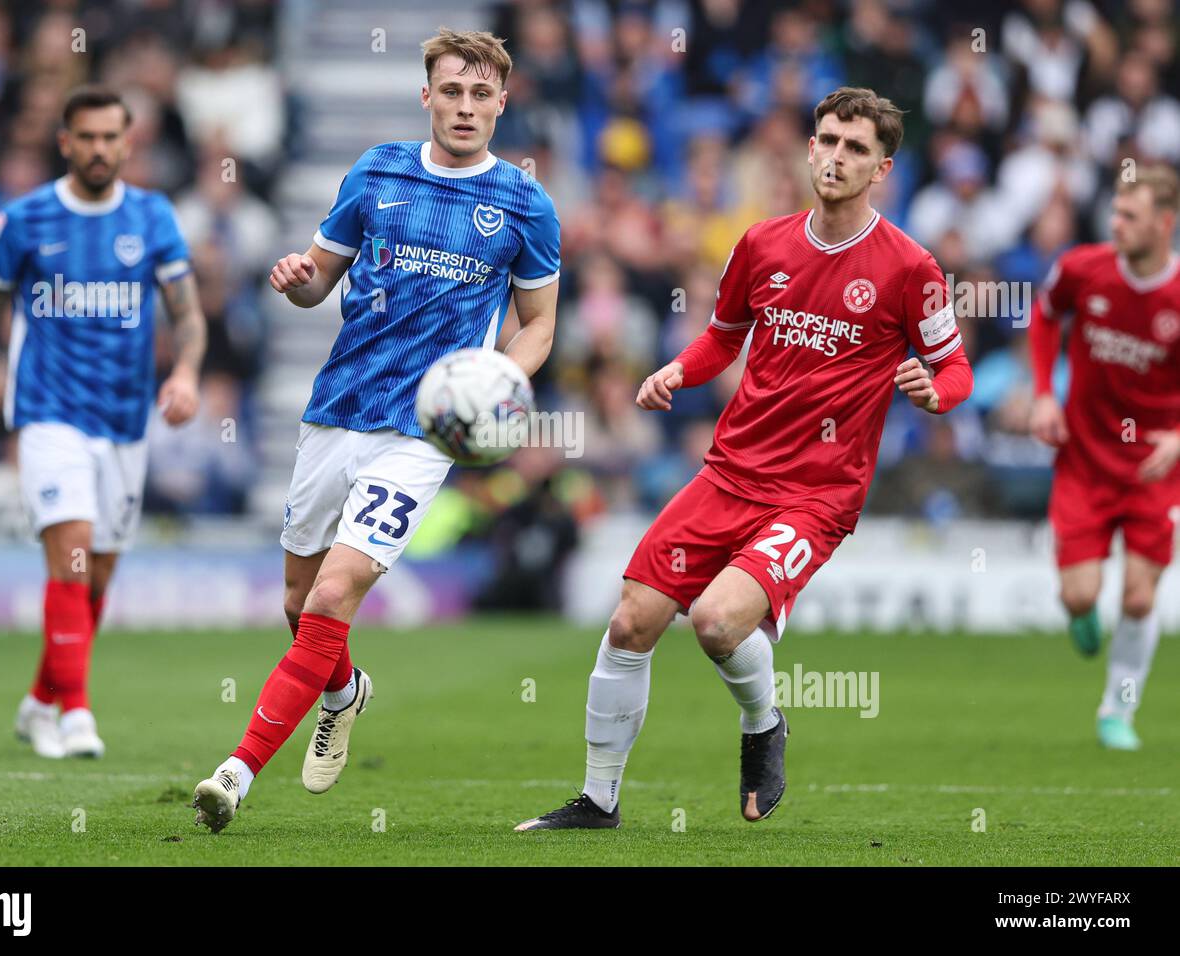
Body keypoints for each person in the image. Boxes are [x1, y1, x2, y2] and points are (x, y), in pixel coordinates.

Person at [517, 87, 973, 830]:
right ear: (808, 147)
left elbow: (956, 370)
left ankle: (764, 722)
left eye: (855, 148)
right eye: (827, 140)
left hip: (817, 493)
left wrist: (932, 390)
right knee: (631, 620)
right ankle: (599, 801)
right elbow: (723, 338)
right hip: (730, 470)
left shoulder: (909, 268)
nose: (835, 156)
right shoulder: (762, 244)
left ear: (882, 168)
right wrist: (678, 371)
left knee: (716, 622)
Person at [192, 29, 561, 833]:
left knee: (334, 591)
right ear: (426, 95)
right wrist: (296, 280)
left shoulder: (526, 204)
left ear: (503, 102)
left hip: (424, 431)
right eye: (452, 92)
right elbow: (318, 277)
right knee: (299, 605)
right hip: (338, 409)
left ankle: (238, 770)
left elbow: (538, 324)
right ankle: (343, 690)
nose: (466, 107)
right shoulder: (376, 171)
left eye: (481, 95)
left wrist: (502, 379)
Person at [0, 85, 206, 758]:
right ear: (64, 142)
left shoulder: (152, 217)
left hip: (125, 421)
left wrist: (184, 374)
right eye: (84, 137)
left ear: (128, 142)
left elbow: (188, 315)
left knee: (98, 574)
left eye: (109, 137)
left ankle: (38, 702)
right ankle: (77, 714)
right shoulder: (25, 219)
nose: (97, 149)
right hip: (47, 413)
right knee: (75, 550)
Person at [1028, 164, 1180, 751]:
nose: (1115, 224)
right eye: (1115, 213)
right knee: (1079, 596)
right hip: (1085, 461)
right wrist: (1044, 392)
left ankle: (1118, 710)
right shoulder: (1082, 269)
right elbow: (1044, 316)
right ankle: (1082, 612)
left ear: (1164, 224)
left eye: (1130, 216)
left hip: (1153, 470)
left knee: (1140, 597)